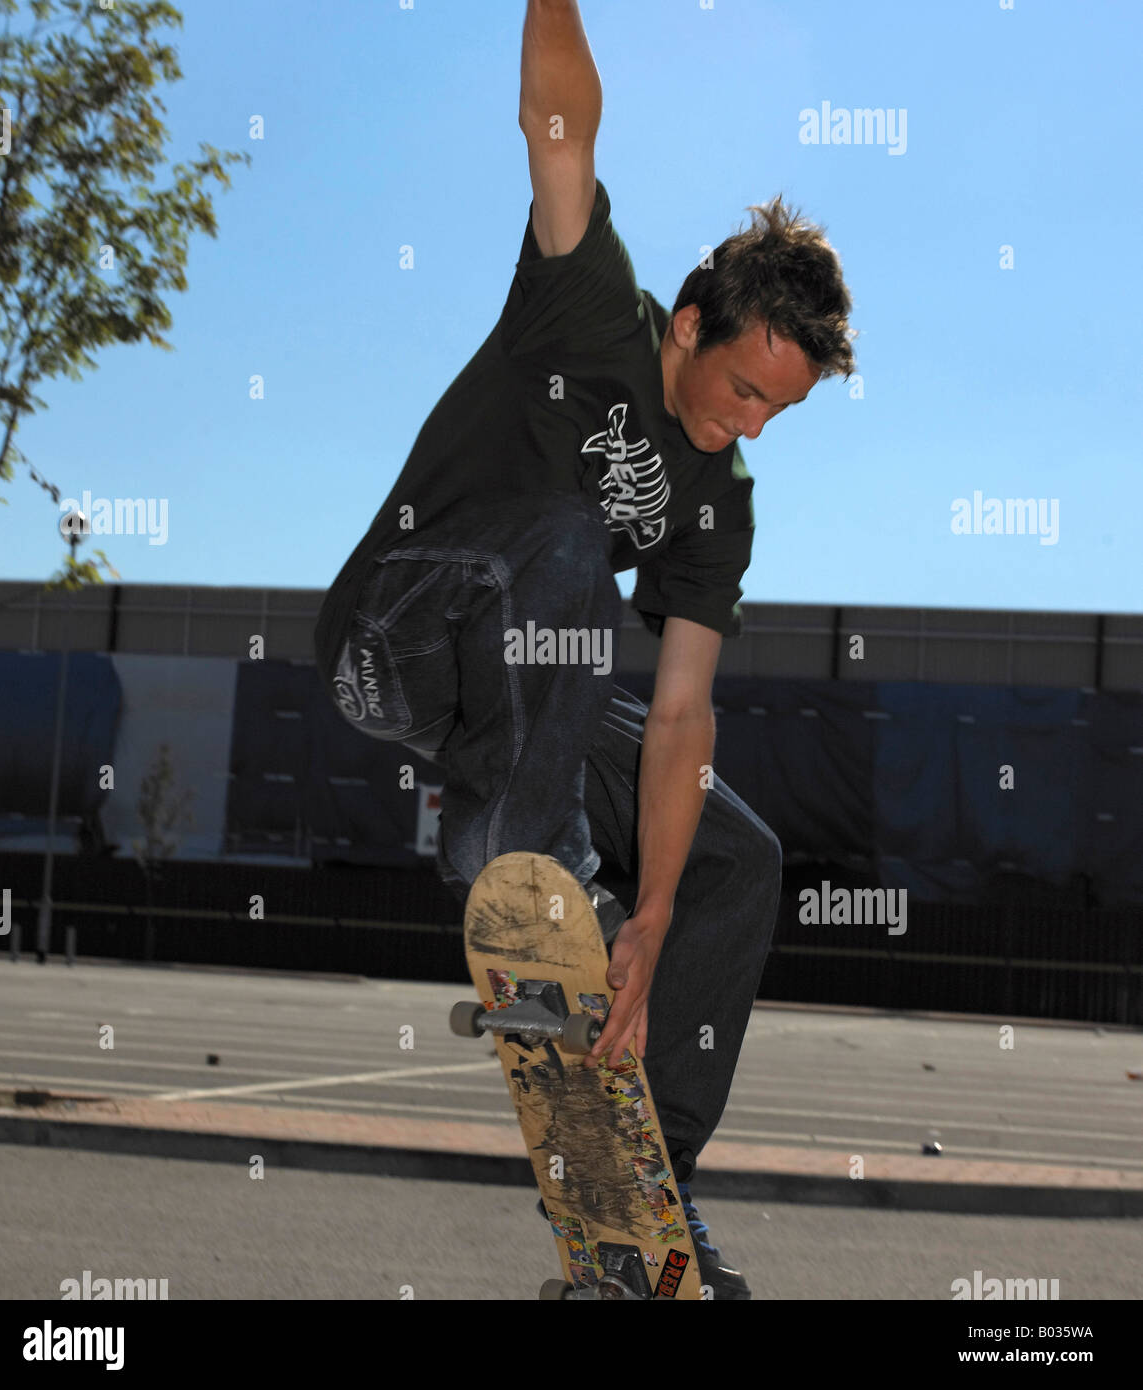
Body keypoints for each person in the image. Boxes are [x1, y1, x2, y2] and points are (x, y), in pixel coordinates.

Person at [314, 0, 855, 1299]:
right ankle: (516, 852)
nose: (749, 429)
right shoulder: (589, 310)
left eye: (776, 411)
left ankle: (637, 1194)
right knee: (565, 546)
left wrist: (652, 917)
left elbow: (677, 716)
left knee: (735, 856)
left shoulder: (719, 502)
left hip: (521, 690)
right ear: (684, 325)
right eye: (740, 390)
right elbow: (558, 125)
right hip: (401, 629)